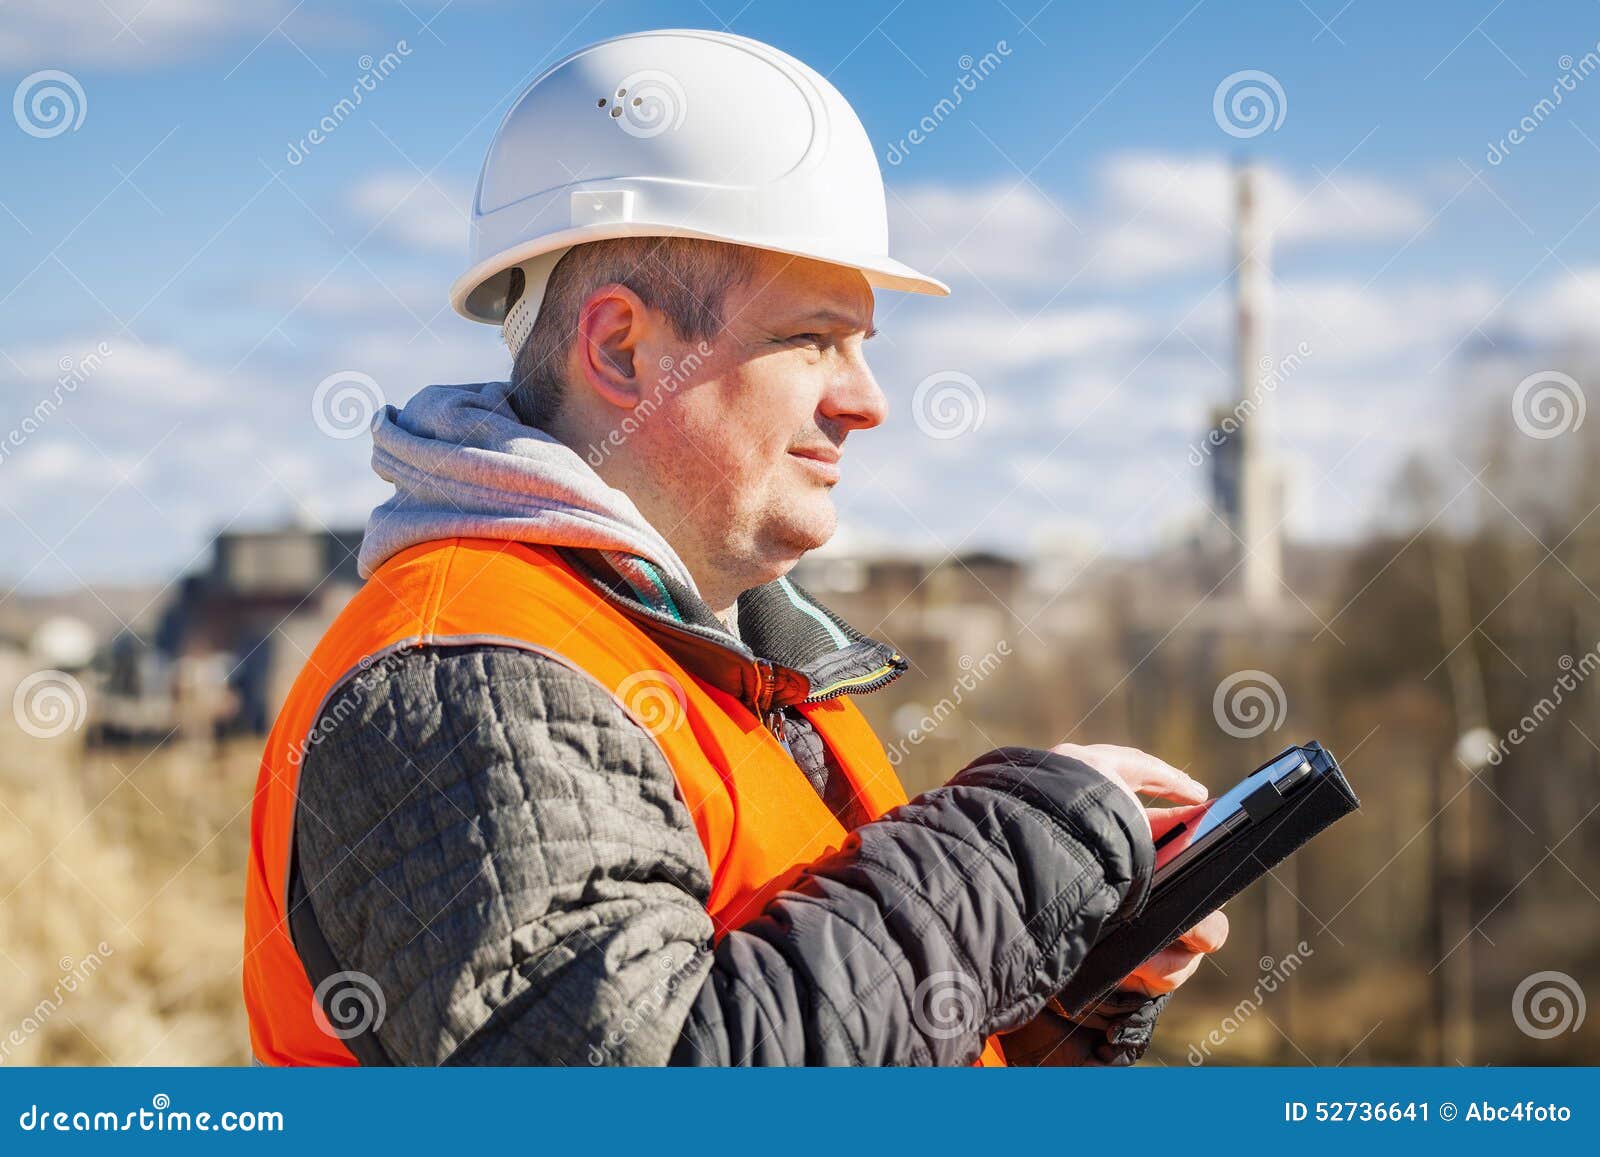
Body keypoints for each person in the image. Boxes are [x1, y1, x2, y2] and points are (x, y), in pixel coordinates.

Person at [243, 28, 1227, 1067]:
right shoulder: (469, 684)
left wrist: (1052, 992)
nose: (865, 400)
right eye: (811, 339)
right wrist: (1009, 861)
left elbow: (813, 1031)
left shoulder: (727, 666)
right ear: (623, 347)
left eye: (861, 345)